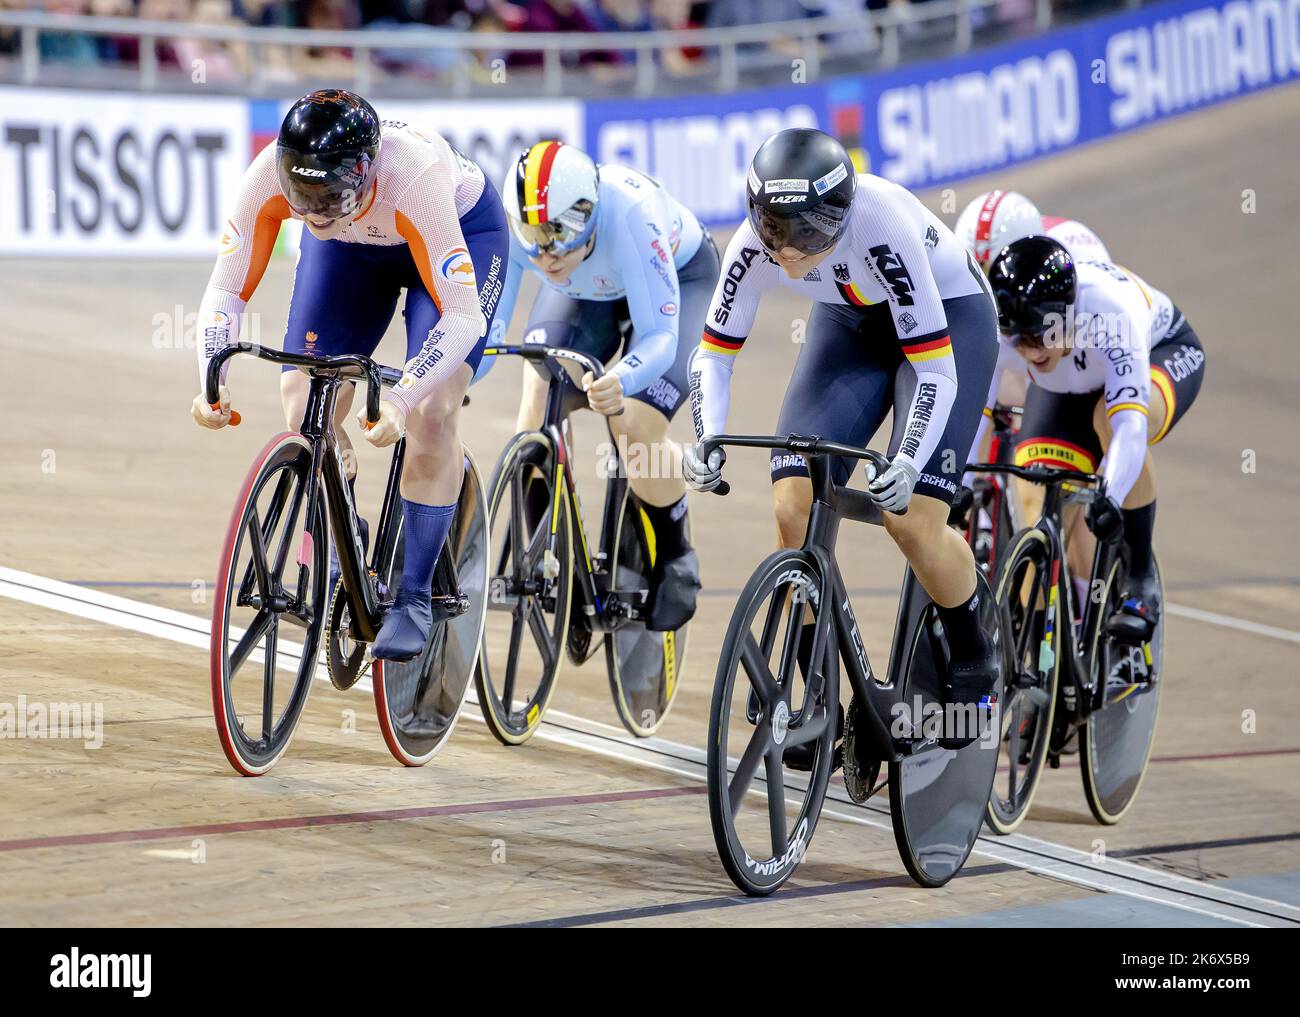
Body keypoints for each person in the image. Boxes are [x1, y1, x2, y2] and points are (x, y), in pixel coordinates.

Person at [684, 128, 1000, 751]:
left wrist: (908, 461)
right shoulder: (755, 244)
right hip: (850, 320)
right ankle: (816, 699)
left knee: (909, 520)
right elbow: (713, 355)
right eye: (775, 230)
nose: (790, 249)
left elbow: (935, 369)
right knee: (791, 505)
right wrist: (706, 435)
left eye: (806, 232)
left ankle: (973, 651)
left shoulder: (882, 226)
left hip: (948, 323)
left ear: (840, 213)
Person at [190, 89, 510, 662]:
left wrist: (404, 397)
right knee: (303, 402)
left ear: (362, 175)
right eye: (301, 197)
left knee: (434, 414)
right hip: (352, 248)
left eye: (328, 195)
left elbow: (461, 317)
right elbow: (225, 287)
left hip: (455, 231)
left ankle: (413, 596)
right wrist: (210, 377)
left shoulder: (412, 177)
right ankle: (346, 530)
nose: (312, 212)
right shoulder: (270, 173)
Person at [482, 140, 720, 631]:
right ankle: (553, 557)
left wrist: (622, 377)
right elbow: (493, 321)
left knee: (634, 426)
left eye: (557, 233)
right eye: (531, 234)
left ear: (587, 214)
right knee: (536, 410)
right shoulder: (530, 239)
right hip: (586, 289)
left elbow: (659, 336)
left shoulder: (631, 219)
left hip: (674, 284)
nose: (543, 252)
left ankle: (676, 554)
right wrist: (463, 372)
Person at [985, 236, 1206, 625]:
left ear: (1065, 315)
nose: (1030, 350)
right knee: (1037, 509)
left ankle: (1139, 577)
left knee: (1108, 418)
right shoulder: (1008, 333)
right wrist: (960, 480)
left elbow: (1129, 428)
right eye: (1018, 338)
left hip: (1160, 352)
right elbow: (978, 410)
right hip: (1071, 381)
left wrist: (1112, 495)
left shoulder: (1110, 315)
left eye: (1040, 333)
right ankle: (1036, 655)